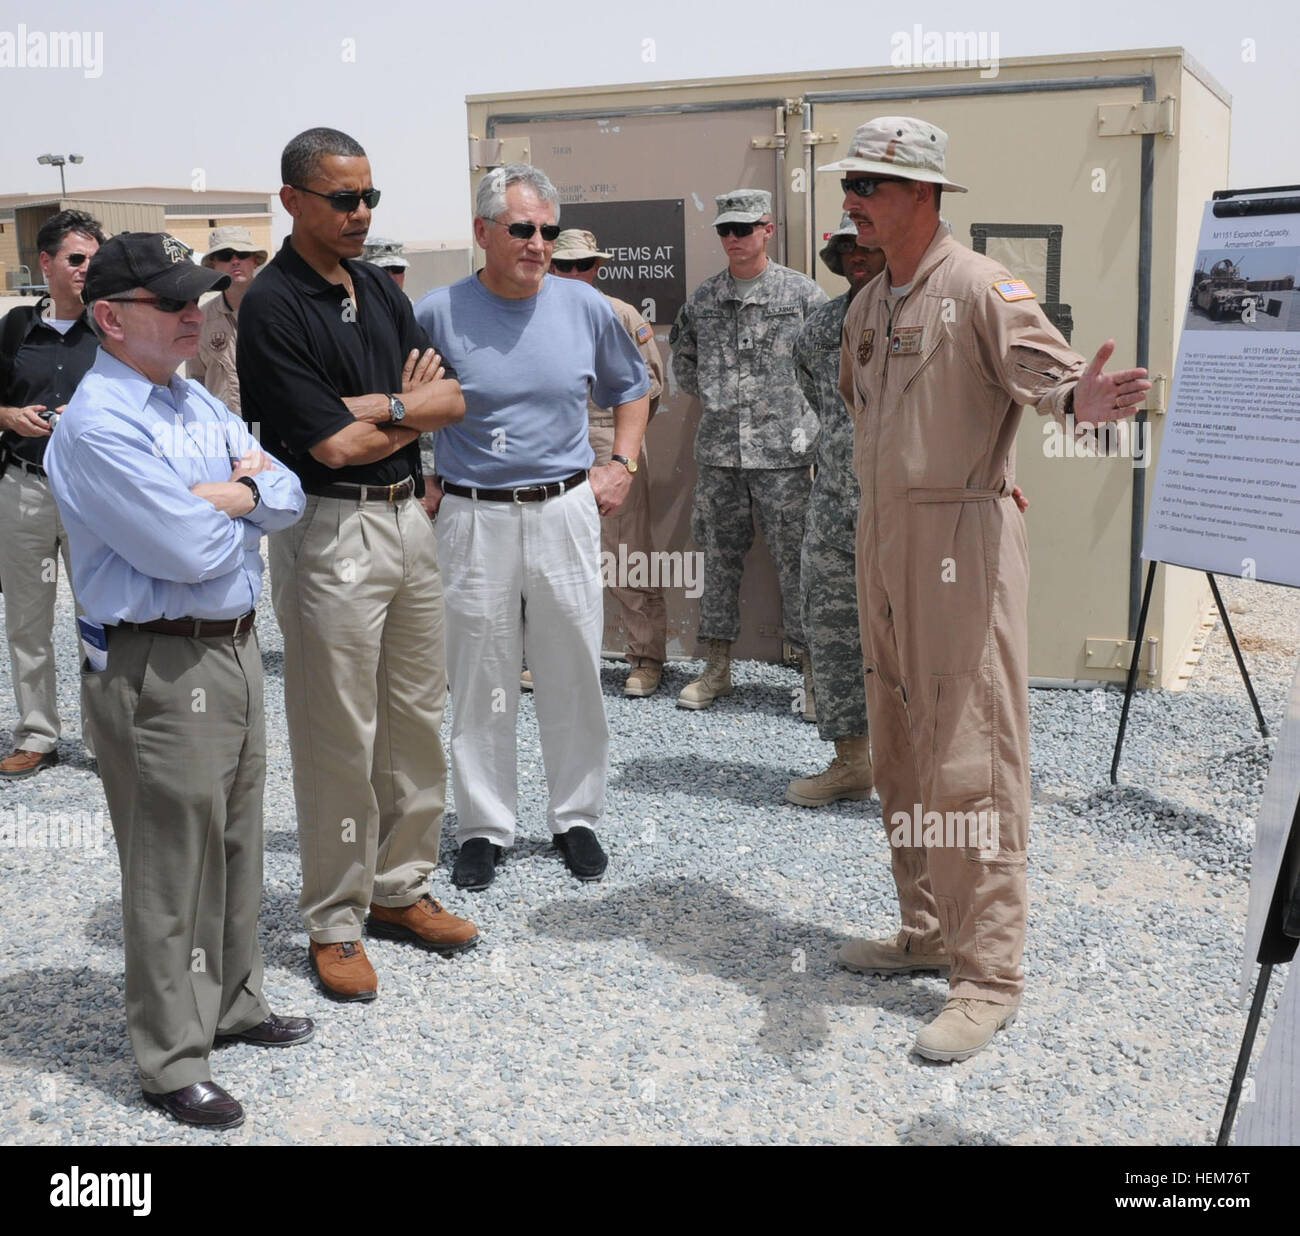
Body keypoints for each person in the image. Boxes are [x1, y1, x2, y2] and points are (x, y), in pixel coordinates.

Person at [823, 117, 1149, 1061]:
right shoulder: (870, 302)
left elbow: (1051, 385)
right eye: (853, 180)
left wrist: (1078, 404)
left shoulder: (979, 287)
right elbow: (868, 414)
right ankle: (927, 931)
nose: (856, 197)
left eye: (875, 184)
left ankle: (989, 975)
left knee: (974, 756)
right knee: (901, 741)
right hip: (886, 540)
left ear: (925, 194)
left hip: (959, 539)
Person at [44, 231, 311, 1130]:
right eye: (172, 302)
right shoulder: (97, 424)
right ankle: (169, 1057)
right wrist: (236, 498)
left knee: (236, 836)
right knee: (170, 867)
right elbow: (191, 547)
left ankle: (233, 1002)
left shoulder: (191, 400)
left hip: (230, 644)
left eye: (196, 296)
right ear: (112, 318)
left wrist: (227, 494)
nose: (194, 312)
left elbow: (290, 491)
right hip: (156, 660)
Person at [237, 127, 477, 1004]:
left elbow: (452, 398)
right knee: (341, 732)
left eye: (369, 197)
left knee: (415, 713)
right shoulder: (271, 305)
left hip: (408, 519)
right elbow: (333, 447)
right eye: (343, 199)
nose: (361, 213)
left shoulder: (376, 284)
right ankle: (335, 920)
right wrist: (408, 408)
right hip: (331, 533)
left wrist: (390, 405)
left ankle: (399, 888)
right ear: (293, 200)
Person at [414, 164, 650, 893]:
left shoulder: (584, 307)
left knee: (572, 665)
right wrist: (424, 470)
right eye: (522, 230)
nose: (538, 243)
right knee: (480, 674)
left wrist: (623, 464)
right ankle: (484, 827)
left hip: (563, 509)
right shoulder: (437, 312)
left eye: (548, 231)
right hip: (472, 515)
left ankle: (576, 817)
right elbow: (405, 401)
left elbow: (633, 387)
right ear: (483, 232)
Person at [670, 189, 825, 713]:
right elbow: (684, 362)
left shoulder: (803, 295)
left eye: (743, 228)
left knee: (798, 566)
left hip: (785, 457)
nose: (733, 239)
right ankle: (716, 669)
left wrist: (788, 414)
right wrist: (721, 397)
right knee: (718, 563)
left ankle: (811, 675)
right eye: (725, 230)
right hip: (720, 457)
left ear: (768, 229)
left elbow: (828, 367)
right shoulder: (705, 298)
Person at [0, 209, 104, 779]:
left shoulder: (114, 332)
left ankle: (103, 737)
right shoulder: (15, 328)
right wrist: (11, 415)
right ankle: (37, 734)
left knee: (101, 618)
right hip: (24, 490)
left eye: (94, 259)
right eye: (76, 258)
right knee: (27, 619)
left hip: (91, 498)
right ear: (46, 263)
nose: (87, 269)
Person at [784, 216, 884, 807]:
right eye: (844, 247)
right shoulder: (820, 326)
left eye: (865, 244)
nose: (855, 255)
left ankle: (926, 768)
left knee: (917, 644)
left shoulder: (923, 315)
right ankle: (852, 762)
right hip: (833, 510)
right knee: (835, 635)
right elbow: (816, 399)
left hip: (905, 513)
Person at [544, 227, 666, 697]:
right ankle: (561, 660)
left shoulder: (620, 315)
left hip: (608, 439)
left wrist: (621, 453)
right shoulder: (532, 314)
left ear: (597, 266)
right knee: (553, 558)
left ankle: (645, 659)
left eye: (583, 265)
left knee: (625, 555)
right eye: (564, 265)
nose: (574, 274)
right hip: (551, 447)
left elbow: (648, 389)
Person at [186, 225, 268, 415]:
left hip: (277, 428)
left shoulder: (281, 310)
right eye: (225, 255)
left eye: (242, 254)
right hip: (226, 429)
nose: (235, 261)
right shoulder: (200, 319)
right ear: (213, 264)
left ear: (255, 261)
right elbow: (196, 381)